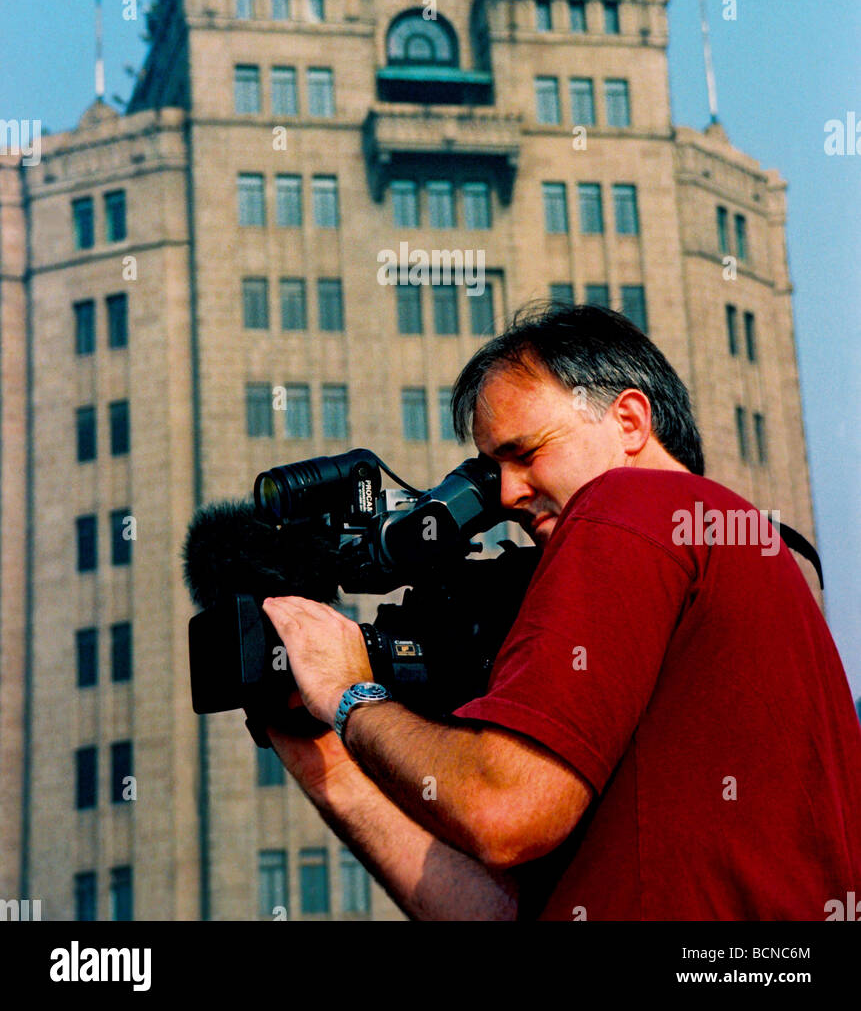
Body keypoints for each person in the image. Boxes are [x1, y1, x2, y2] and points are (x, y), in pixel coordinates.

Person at [262, 303, 861, 921]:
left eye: (527, 452)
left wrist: (348, 693)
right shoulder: (742, 547)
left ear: (629, 420)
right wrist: (320, 755)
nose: (508, 494)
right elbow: (497, 912)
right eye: (493, 470)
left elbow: (504, 813)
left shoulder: (630, 503)